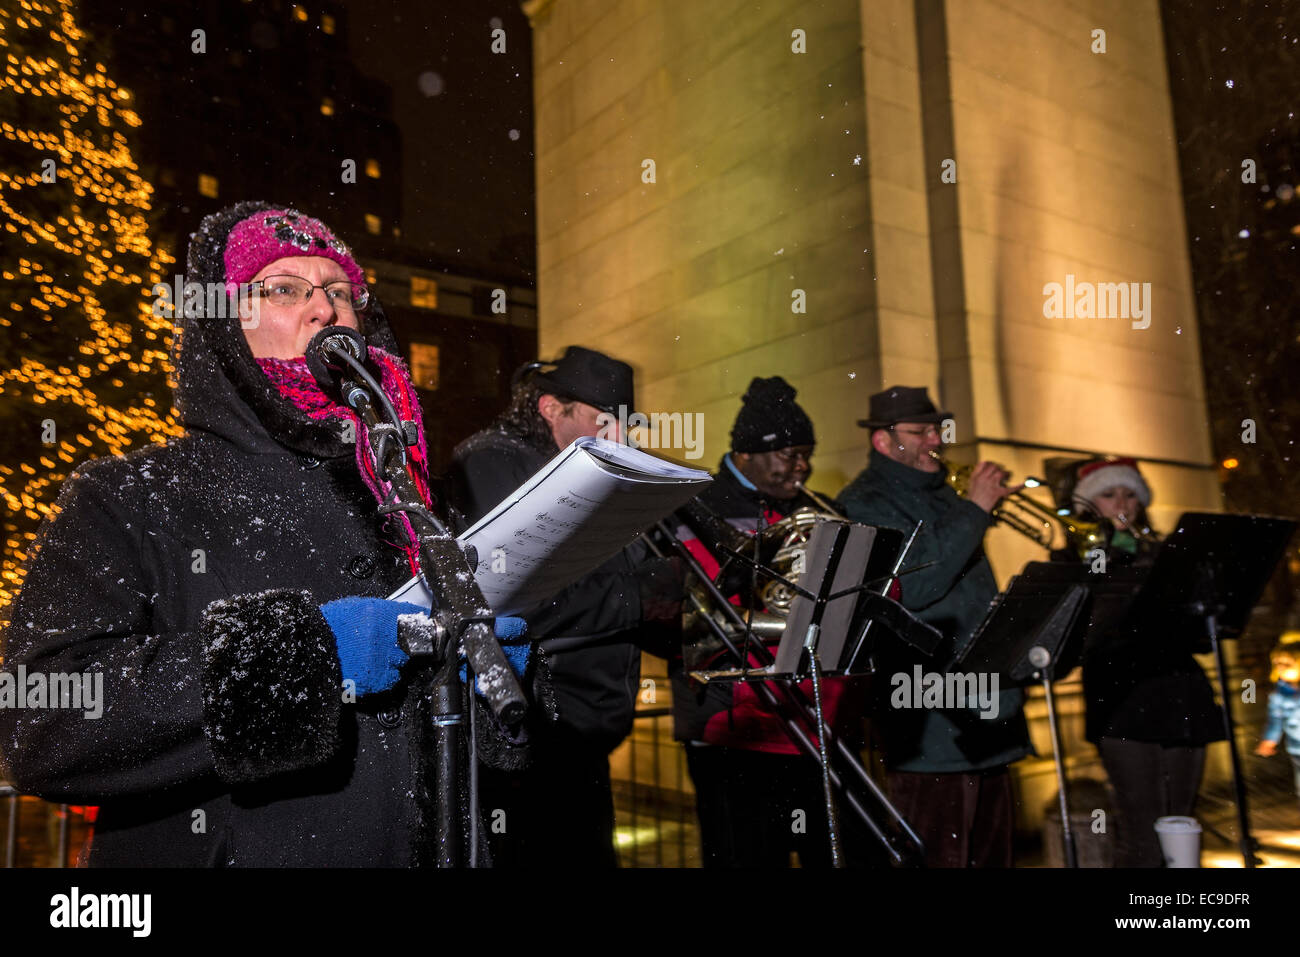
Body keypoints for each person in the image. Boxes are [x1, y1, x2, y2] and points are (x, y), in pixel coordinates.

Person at [0, 202, 524, 866]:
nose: (325, 310)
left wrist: (490, 683)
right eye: (283, 288)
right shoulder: (128, 495)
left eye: (338, 291)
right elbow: (42, 722)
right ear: (224, 321)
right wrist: (306, 655)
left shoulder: (408, 492)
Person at [446, 346, 683, 867]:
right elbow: (510, 594)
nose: (617, 438)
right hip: (534, 731)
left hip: (586, 738)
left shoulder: (595, 468)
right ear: (551, 407)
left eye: (623, 425)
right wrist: (640, 597)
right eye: (601, 422)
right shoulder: (494, 459)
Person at [670, 375, 866, 867]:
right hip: (731, 723)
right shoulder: (697, 508)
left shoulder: (822, 510)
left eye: (808, 453)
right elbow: (686, 607)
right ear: (748, 454)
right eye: (790, 453)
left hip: (813, 714)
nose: (803, 466)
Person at [836, 385, 1032, 868]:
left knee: (994, 854)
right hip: (930, 714)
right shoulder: (862, 503)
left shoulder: (946, 493)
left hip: (988, 702)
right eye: (920, 431)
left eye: (937, 429)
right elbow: (914, 586)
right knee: (938, 856)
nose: (935, 441)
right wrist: (975, 510)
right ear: (882, 442)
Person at [1061, 456, 1223, 867]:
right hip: (1121, 702)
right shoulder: (1073, 559)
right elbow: (1081, 638)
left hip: (1182, 696)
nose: (1122, 503)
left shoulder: (1164, 551)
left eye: (1130, 494)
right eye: (1109, 493)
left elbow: (1202, 639)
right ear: (1087, 503)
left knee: (1182, 824)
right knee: (1142, 829)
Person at [1256, 631, 1300, 809]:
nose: (1281, 667)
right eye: (1277, 664)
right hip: (1296, 747)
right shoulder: (1279, 695)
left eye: (1286, 664)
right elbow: (1275, 720)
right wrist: (1269, 741)